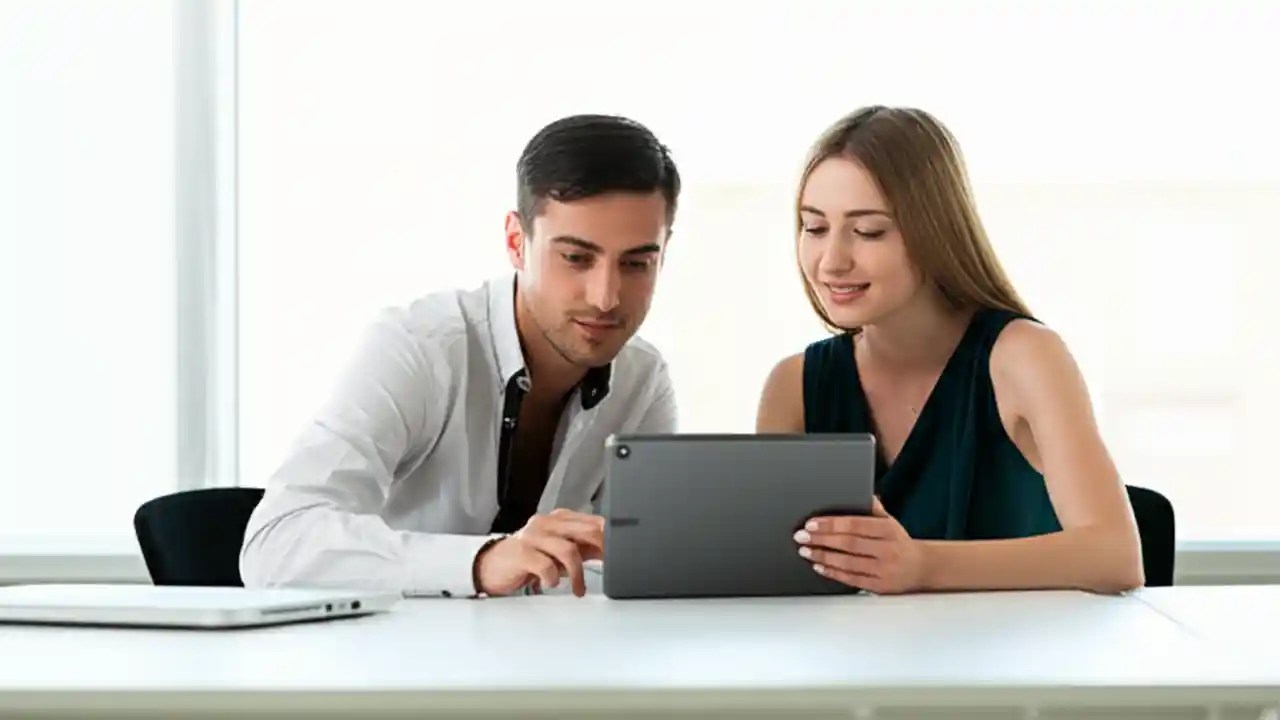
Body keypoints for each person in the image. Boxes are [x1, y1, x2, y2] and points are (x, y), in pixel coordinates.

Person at [241, 114, 681, 599]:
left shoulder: (643, 378)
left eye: (636, 263)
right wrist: (482, 561)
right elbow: (275, 545)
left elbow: (642, 565)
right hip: (394, 663)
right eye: (576, 258)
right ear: (517, 242)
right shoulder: (419, 347)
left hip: (555, 665)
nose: (605, 297)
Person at [757, 106, 1143, 595]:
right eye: (814, 228)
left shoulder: (1024, 357)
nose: (832, 261)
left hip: (1014, 665)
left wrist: (921, 565)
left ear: (934, 231)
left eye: (869, 231)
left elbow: (1116, 556)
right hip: (853, 666)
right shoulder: (793, 385)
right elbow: (773, 577)